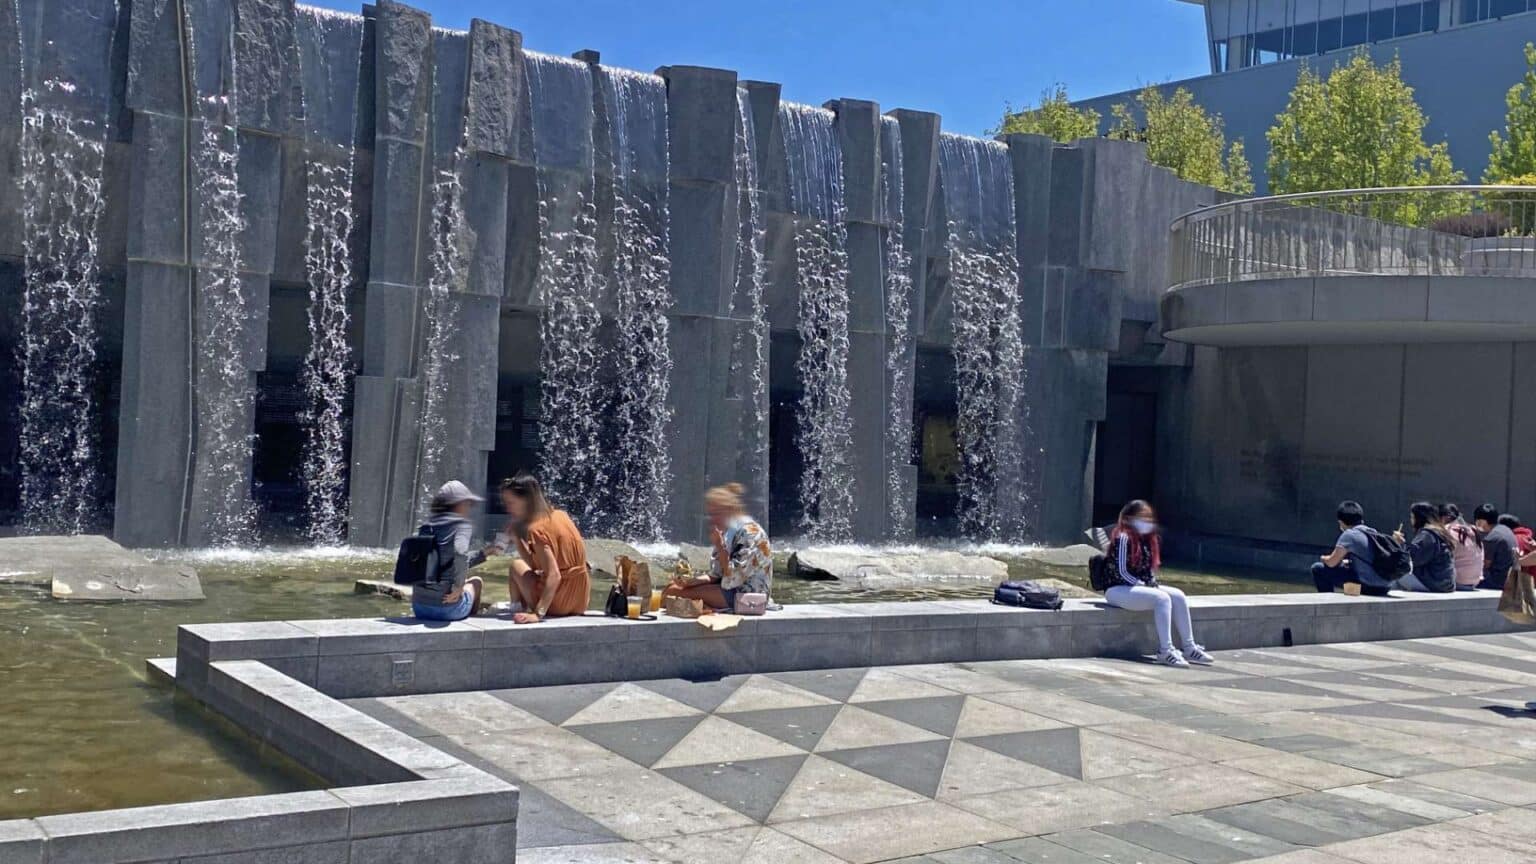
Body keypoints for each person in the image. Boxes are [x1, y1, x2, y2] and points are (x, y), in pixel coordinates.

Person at [1101, 500, 1213, 669]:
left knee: (1178, 595)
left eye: (1149, 517)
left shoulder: (1148, 540)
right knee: (1162, 599)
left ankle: (1189, 647)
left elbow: (1148, 571)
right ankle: (1165, 650)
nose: (1147, 521)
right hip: (1117, 589)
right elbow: (1120, 572)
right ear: (1129, 518)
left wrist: (1149, 584)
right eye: (1142, 517)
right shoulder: (1123, 538)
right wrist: (1142, 585)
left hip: (1137, 588)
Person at [496, 471, 590, 624]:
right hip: (580, 600)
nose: (507, 508)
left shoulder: (537, 529)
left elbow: (554, 575)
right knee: (521, 565)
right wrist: (518, 539)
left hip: (559, 603)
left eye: (510, 503)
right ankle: (520, 607)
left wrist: (538, 614)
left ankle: (516, 609)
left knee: (515, 566)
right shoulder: (561, 515)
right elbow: (536, 565)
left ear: (527, 500)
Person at [663, 483, 772, 611]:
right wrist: (690, 582)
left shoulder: (751, 534)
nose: (712, 519)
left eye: (717, 514)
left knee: (673, 593)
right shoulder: (727, 532)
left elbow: (733, 577)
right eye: (711, 514)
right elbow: (716, 575)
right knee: (672, 588)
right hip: (728, 589)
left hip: (746, 596)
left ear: (730, 511)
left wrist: (720, 547)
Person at [411, 480, 495, 622]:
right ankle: (469, 621)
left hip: (419, 607)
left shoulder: (425, 528)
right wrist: (458, 586)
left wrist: (484, 553)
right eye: (467, 503)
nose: (469, 508)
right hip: (447, 610)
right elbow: (460, 556)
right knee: (476, 582)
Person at [1312, 500, 1392, 596]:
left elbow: (1331, 563)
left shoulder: (1349, 535)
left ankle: (1328, 601)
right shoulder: (1373, 532)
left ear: (1341, 522)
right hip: (1385, 587)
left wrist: (1323, 558)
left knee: (1318, 568)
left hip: (1368, 588)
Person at [1392, 502, 1455, 593]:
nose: (1411, 520)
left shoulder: (1427, 534)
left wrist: (1398, 544)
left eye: (1412, 517)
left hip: (1433, 583)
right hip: (1445, 583)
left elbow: (1411, 560)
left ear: (1419, 518)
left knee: (1393, 571)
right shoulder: (1440, 532)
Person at [1439, 503, 1484, 591]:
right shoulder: (1473, 530)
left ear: (1444, 518)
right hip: (1474, 581)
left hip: (1458, 581)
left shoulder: (1447, 530)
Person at [1474, 503, 1518, 591]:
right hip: (1512, 579)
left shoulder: (1491, 538)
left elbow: (1484, 565)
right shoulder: (1506, 529)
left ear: (1482, 521)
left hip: (1497, 581)